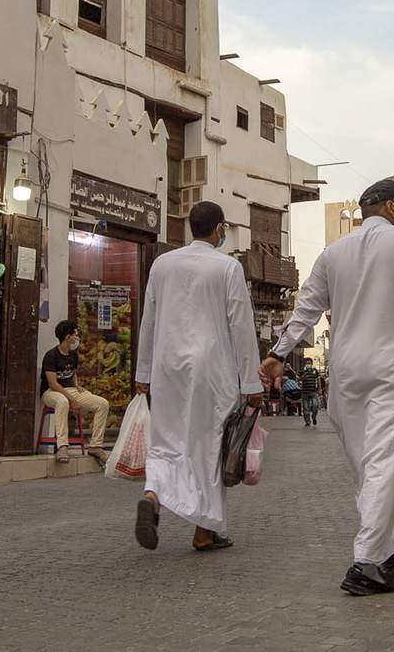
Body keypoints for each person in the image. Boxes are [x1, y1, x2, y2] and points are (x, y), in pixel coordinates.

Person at [261, 178, 394, 596]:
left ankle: (388, 549)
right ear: (390, 207)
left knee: (369, 467)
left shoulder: (333, 253)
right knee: (385, 464)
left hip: (348, 377)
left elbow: (306, 311)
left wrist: (278, 353)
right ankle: (367, 563)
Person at [134, 201, 264, 553]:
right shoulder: (227, 267)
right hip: (211, 369)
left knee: (166, 442)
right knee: (209, 446)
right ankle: (204, 530)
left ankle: (154, 495)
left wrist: (143, 372)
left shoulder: (162, 264)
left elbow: (150, 320)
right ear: (220, 228)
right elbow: (241, 325)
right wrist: (252, 384)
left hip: (166, 367)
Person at [40, 320, 110, 464]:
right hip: (51, 392)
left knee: (102, 403)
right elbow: (53, 384)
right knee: (63, 402)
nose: (77, 337)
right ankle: (63, 447)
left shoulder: (73, 354)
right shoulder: (51, 355)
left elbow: (73, 373)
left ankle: (96, 445)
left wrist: (77, 386)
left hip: (71, 390)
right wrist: (72, 399)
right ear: (67, 337)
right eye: (75, 334)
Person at [300, 360, 322, 426]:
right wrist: (302, 377)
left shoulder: (314, 370)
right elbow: (298, 378)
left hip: (313, 391)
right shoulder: (302, 370)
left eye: (309, 363)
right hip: (305, 392)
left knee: (315, 406)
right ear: (305, 364)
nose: (308, 364)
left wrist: (320, 389)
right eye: (307, 363)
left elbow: (318, 379)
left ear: (311, 364)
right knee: (306, 408)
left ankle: (314, 417)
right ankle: (307, 421)